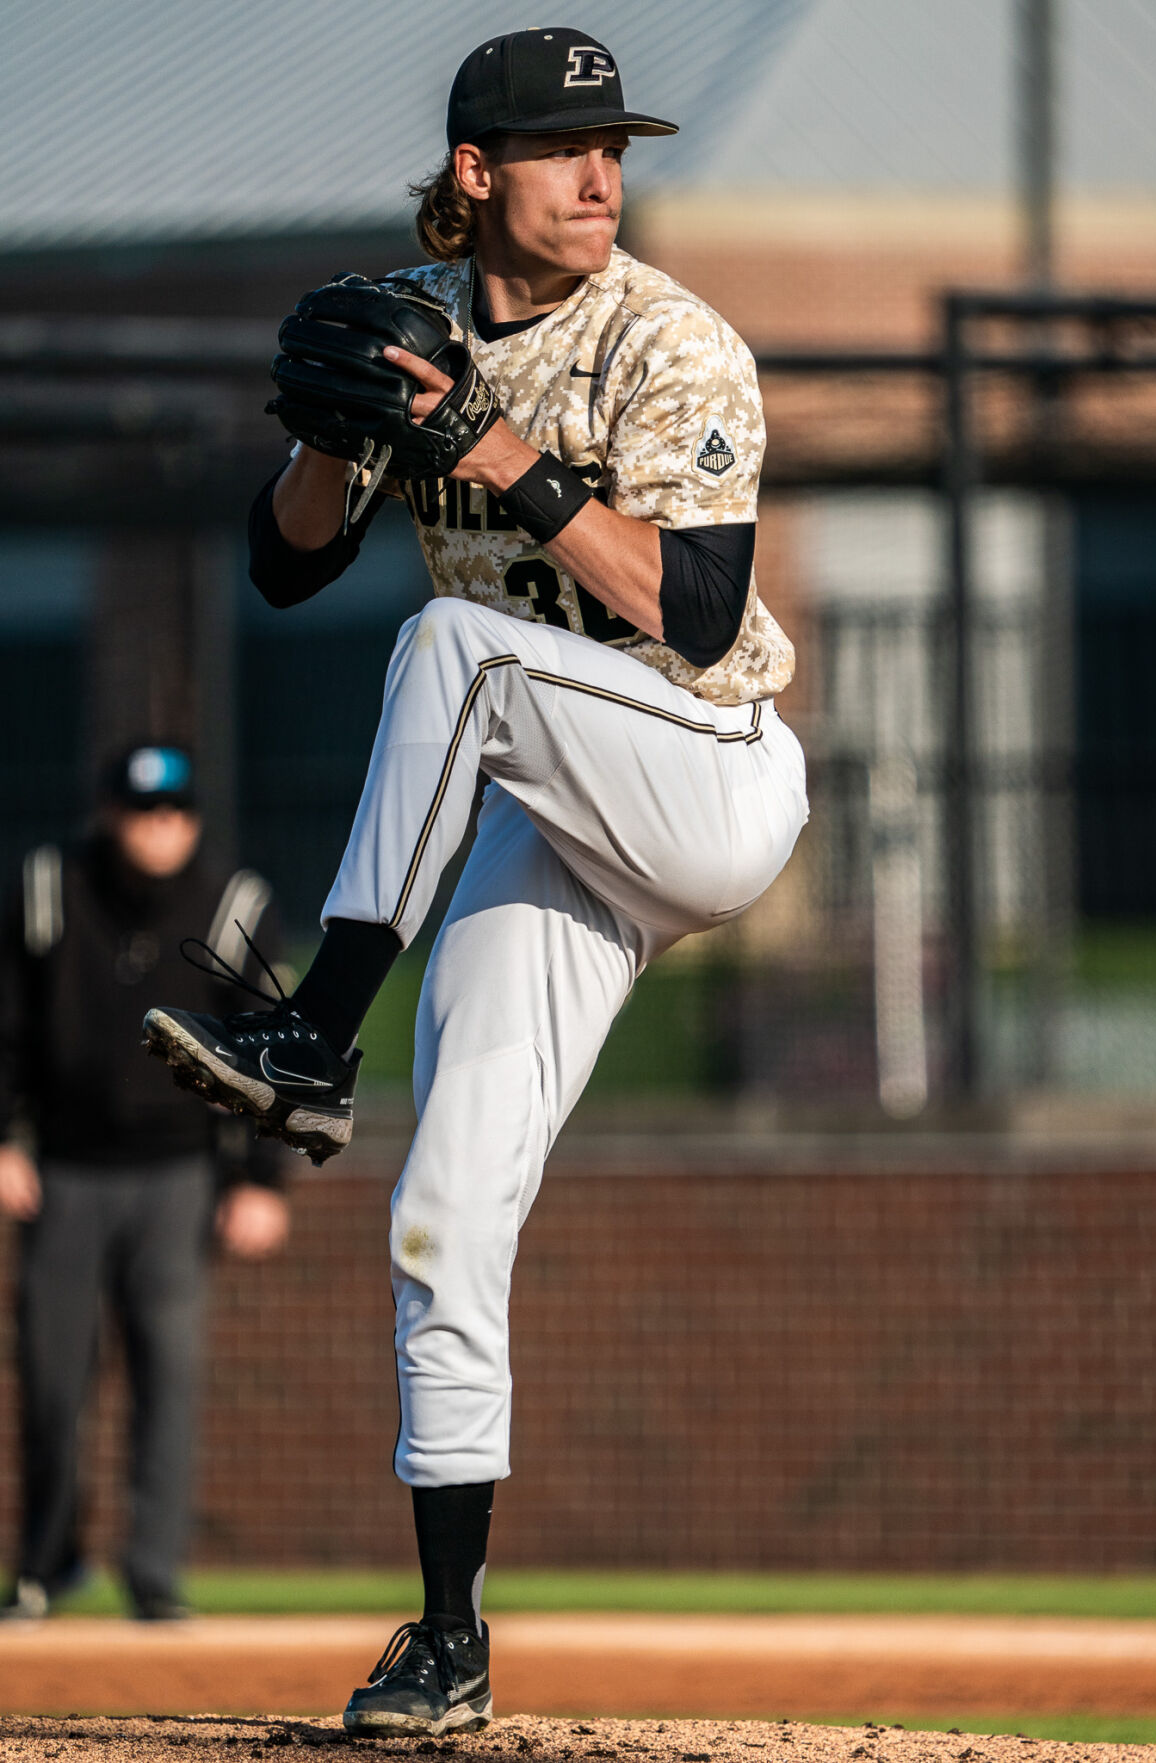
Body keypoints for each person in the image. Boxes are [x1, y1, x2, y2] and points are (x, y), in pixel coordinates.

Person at [143, 25, 807, 1733]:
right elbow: (287, 570)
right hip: (552, 803)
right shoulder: (417, 320)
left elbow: (708, 617)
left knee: (461, 636)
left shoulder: (671, 337)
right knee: (444, 1206)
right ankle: (448, 1633)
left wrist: (498, 454)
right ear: (472, 172)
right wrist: (322, 438)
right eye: (562, 149)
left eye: (616, 149)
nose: (600, 177)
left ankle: (314, 1032)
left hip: (707, 773)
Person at [0, 745, 290, 1621]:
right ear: (107, 815)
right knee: (51, 1376)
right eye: (138, 813)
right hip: (63, 1171)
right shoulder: (49, 888)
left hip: (179, 1174)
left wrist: (262, 1179)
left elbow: (270, 1049)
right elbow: (6, 1023)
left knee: (169, 1373)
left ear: (192, 819)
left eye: (171, 814)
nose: (156, 830)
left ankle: (155, 1573)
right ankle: (49, 1563)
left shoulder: (236, 903)